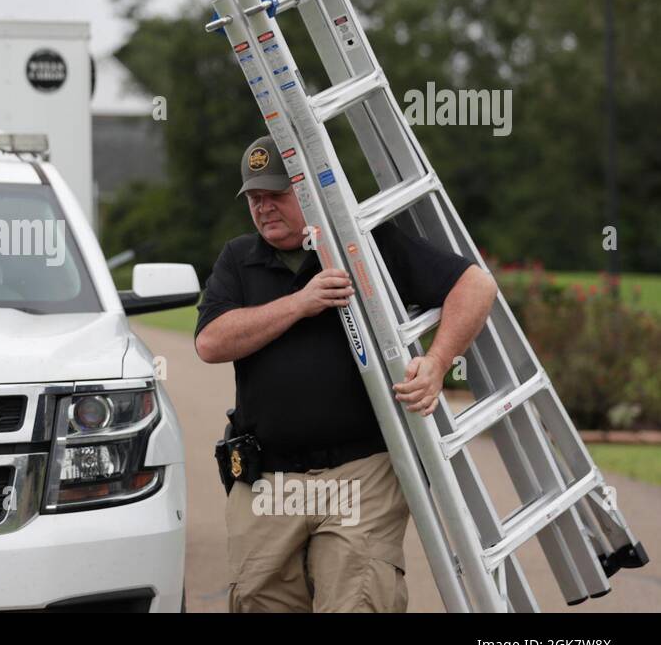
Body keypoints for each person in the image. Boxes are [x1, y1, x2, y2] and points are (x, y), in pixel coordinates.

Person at [195, 135, 497, 612]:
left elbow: (475, 285)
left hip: (362, 471)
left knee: (358, 601)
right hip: (267, 478)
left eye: (276, 195)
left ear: (310, 190)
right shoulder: (238, 258)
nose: (264, 208)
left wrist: (437, 363)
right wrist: (301, 302)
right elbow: (210, 342)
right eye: (255, 198)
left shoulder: (367, 244)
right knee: (259, 600)